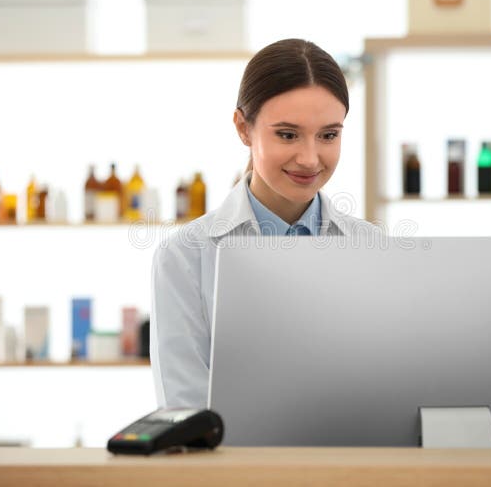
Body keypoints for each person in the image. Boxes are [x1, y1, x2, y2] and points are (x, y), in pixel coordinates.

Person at [151, 38, 380, 408]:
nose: (309, 158)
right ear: (244, 128)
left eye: (328, 135)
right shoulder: (186, 257)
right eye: (287, 135)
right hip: (230, 465)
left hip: (348, 460)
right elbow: (184, 405)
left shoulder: (373, 249)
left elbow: (386, 385)